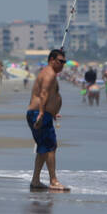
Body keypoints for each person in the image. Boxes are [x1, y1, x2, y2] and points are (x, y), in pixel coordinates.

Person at [27, 49, 68, 191]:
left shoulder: (49, 73)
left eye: (64, 62)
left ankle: (36, 180)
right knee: (50, 146)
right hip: (39, 114)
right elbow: (43, 94)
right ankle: (53, 181)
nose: (63, 64)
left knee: (43, 148)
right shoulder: (49, 74)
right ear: (51, 60)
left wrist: (52, 112)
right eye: (60, 61)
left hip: (41, 114)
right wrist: (43, 113)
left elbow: (47, 95)